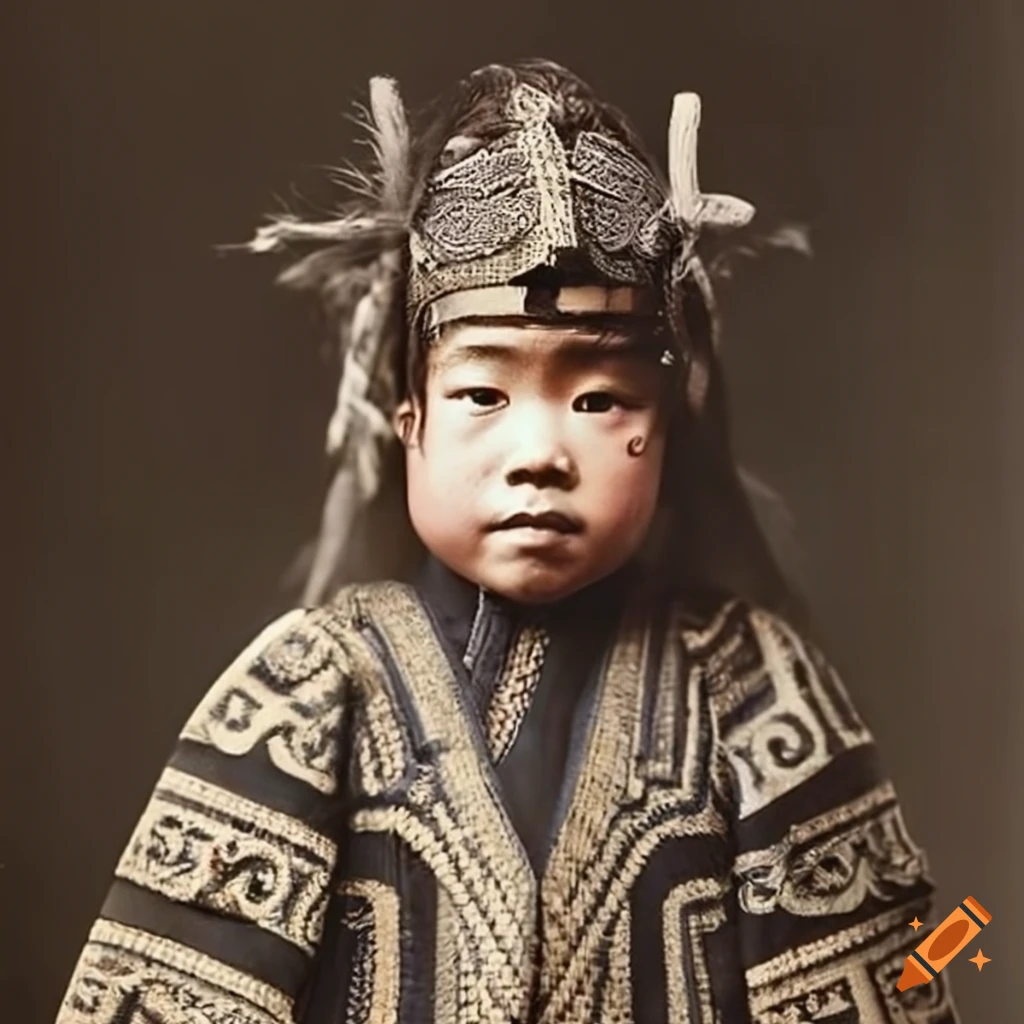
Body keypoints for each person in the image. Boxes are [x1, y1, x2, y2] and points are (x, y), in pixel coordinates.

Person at [54, 60, 959, 1024]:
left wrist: (954, 943)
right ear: (409, 420)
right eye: (483, 394)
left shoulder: (756, 693)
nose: (539, 453)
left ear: (670, 424)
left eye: (601, 399)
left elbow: (899, 988)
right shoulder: (313, 693)